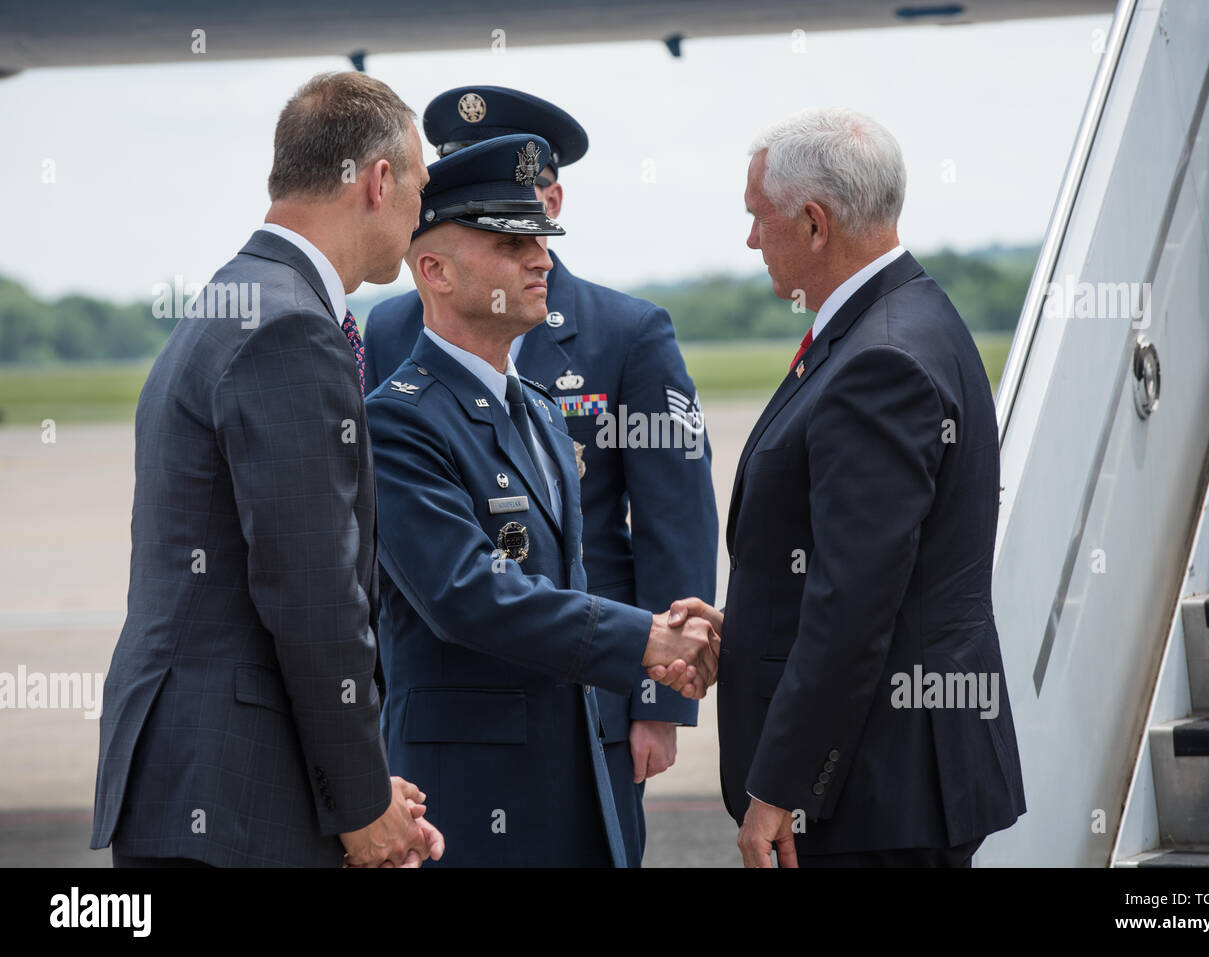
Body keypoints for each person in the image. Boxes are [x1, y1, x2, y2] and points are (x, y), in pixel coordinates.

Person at [91, 72, 443, 868]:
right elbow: (313, 591)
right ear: (379, 181)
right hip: (235, 799)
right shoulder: (289, 326)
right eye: (421, 182)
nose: (424, 209)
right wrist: (364, 802)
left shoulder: (234, 301)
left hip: (202, 782)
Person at [363, 86, 718, 865]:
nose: (540, 260)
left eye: (539, 233)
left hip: (588, 723)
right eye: (512, 241)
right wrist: (651, 641)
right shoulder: (393, 378)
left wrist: (658, 688)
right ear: (436, 268)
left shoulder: (602, 353)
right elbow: (455, 588)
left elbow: (670, 519)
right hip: (465, 750)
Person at [665, 108, 1026, 868]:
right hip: (897, 772)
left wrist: (783, 785)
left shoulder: (878, 360)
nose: (751, 240)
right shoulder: (904, 317)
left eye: (759, 219)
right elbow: (861, 571)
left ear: (815, 222)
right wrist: (747, 627)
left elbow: (854, 605)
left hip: (874, 791)